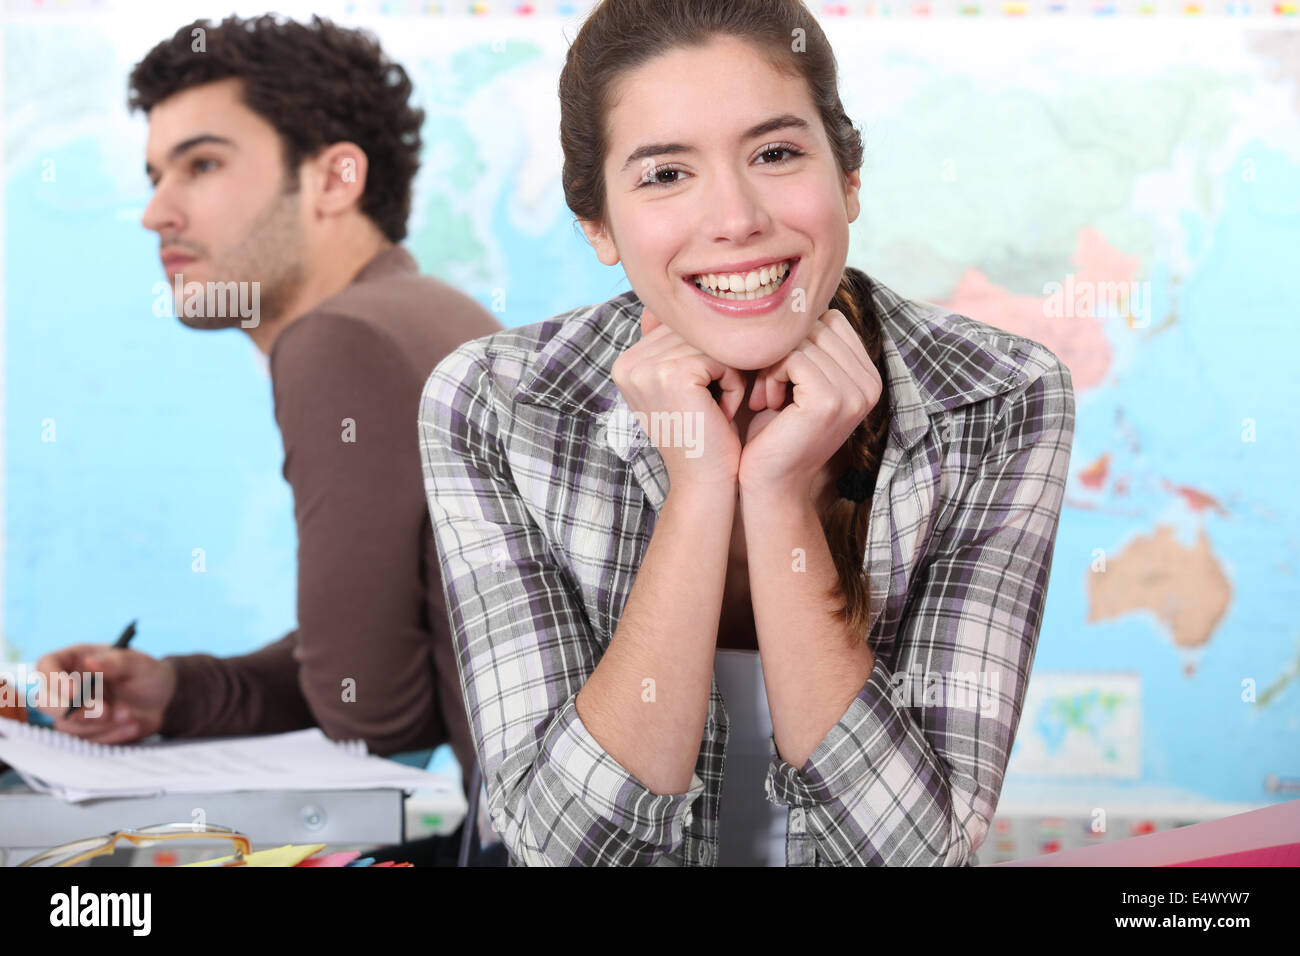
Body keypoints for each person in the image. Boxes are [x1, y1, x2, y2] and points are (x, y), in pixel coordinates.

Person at [420, 0, 1074, 866]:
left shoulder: (997, 397)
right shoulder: (497, 403)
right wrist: (699, 490)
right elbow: (566, 849)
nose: (734, 219)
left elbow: (911, 855)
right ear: (599, 225)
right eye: (664, 174)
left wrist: (774, 498)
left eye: (775, 154)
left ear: (847, 176)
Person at [33, 15, 501, 817]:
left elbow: (371, 714)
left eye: (202, 164)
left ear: (334, 178)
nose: (156, 215)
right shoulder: (430, 311)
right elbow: (392, 660)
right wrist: (178, 691)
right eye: (155, 177)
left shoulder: (338, 341)